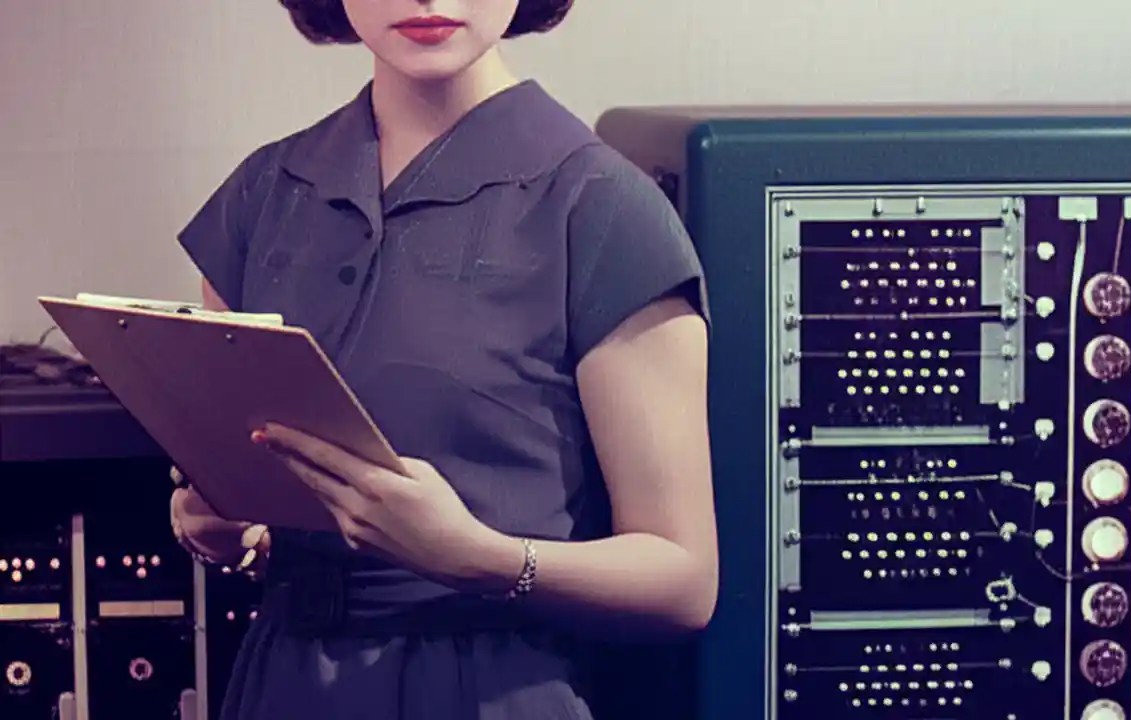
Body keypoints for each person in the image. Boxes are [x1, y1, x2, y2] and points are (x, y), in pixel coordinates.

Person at [166, 0, 718, 717]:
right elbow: (245, 479)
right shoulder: (264, 193)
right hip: (286, 683)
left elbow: (684, 581)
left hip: (495, 689)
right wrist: (223, 526)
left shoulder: (604, 208)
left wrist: (482, 557)